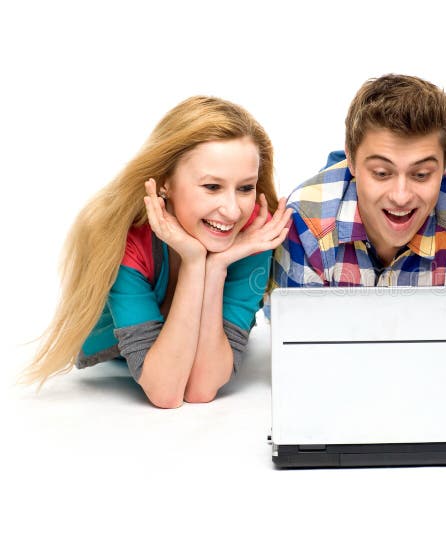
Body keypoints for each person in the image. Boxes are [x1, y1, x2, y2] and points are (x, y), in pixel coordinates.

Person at [25, 96, 293, 408]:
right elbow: (165, 391)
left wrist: (218, 267)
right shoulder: (124, 240)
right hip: (128, 357)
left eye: (245, 187)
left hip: (198, 347)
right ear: (165, 183)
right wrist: (195, 263)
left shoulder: (254, 233)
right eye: (212, 187)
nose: (233, 211)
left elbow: (201, 389)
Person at [269, 74, 446, 289]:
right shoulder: (306, 219)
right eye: (381, 173)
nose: (401, 196)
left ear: (445, 166)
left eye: (421, 174)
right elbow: (297, 323)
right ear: (351, 161)